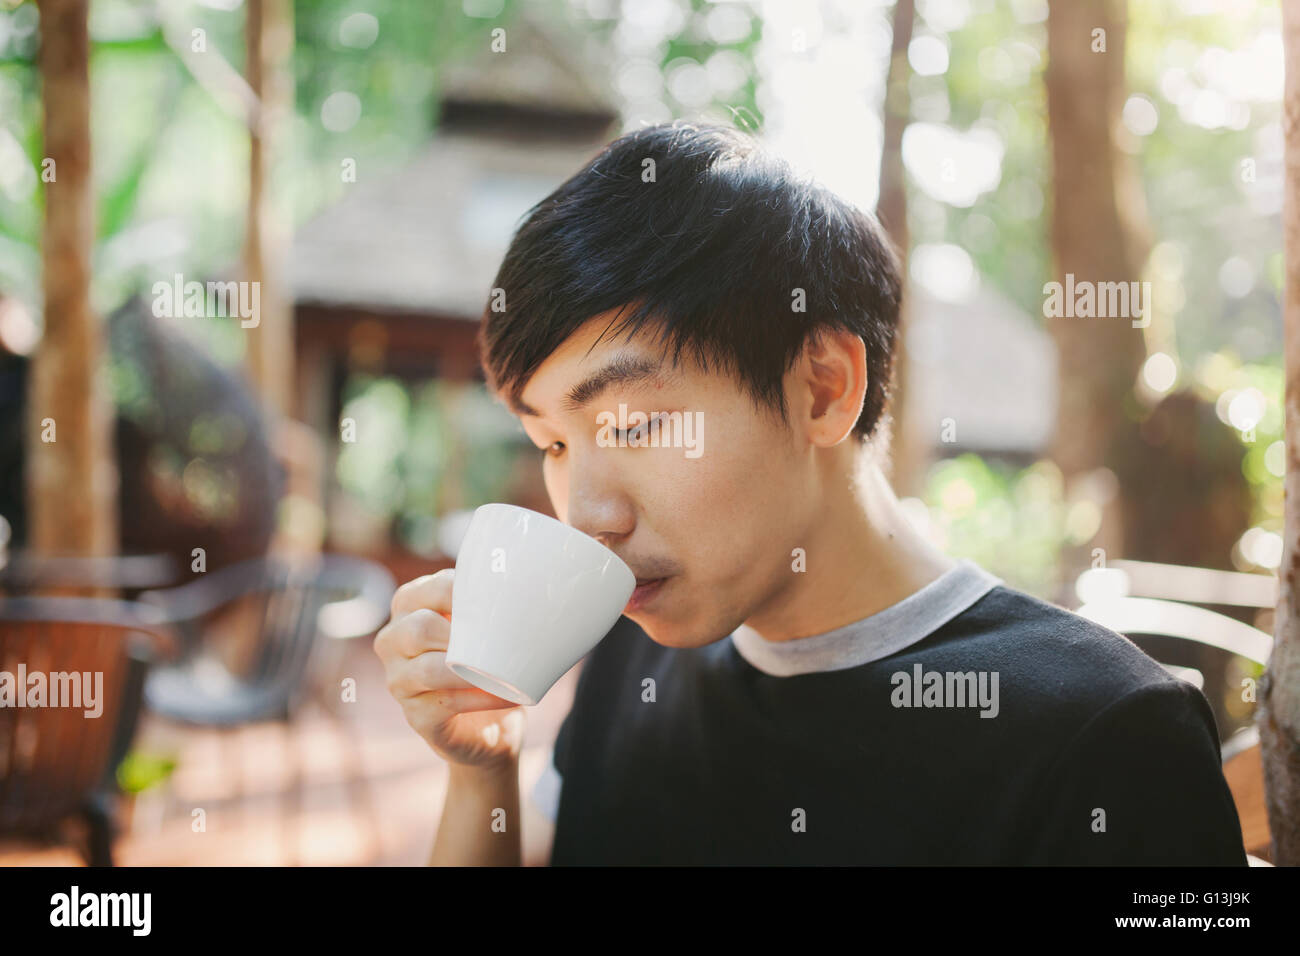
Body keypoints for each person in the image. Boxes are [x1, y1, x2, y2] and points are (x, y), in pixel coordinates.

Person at [374, 120, 1247, 866]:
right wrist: (481, 771)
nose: (588, 514)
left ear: (824, 389)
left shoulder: (1104, 736)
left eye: (635, 426)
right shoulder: (632, 661)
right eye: (554, 444)